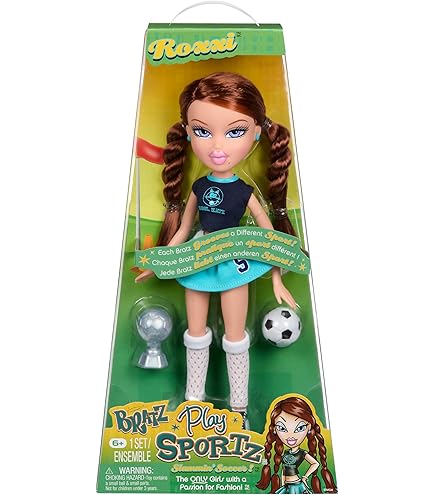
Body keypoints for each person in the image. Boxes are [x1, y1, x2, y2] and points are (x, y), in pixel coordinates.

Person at [136, 72, 298, 425]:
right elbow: (182, 230)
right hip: (198, 259)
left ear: (257, 133)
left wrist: (277, 278)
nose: (218, 146)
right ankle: (194, 402)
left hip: (235, 261)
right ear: (188, 131)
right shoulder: (197, 186)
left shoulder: (245, 191)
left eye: (235, 132)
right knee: (195, 334)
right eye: (203, 131)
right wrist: (159, 264)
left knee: (236, 336)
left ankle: (239, 407)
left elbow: (268, 237)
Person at [256, 396, 337, 493]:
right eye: (281, 428)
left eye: (300, 428)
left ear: (309, 427)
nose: (290, 435)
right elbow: (284, 470)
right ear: (274, 429)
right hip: (287, 486)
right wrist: (283, 484)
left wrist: (305, 476)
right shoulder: (285, 452)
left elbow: (315, 463)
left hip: (297, 485)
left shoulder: (302, 453)